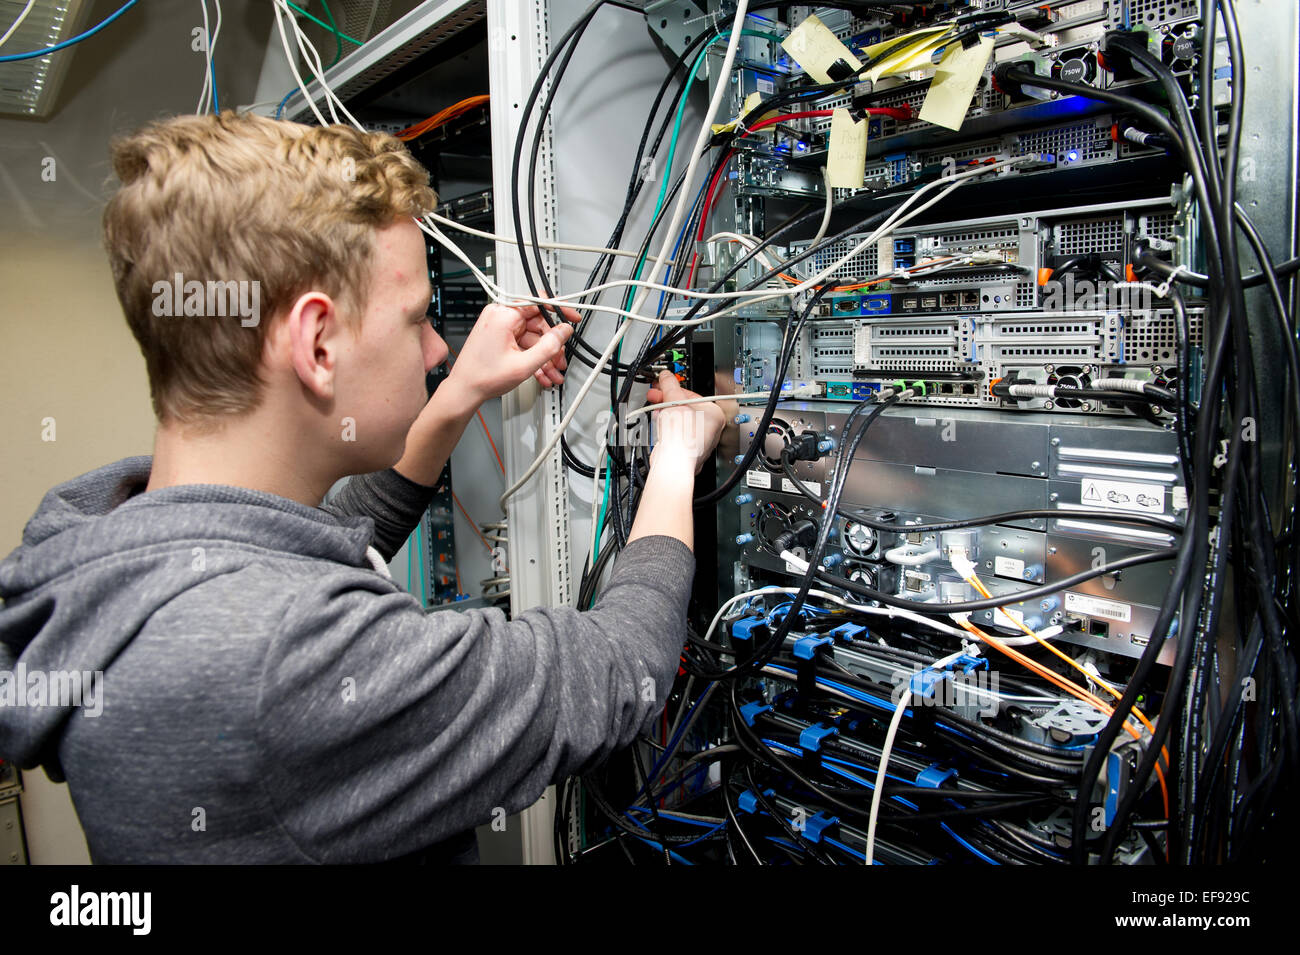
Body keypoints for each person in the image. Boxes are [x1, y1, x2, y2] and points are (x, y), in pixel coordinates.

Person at [0, 111, 724, 863]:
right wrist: (674, 453)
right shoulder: (277, 662)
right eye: (417, 321)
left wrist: (452, 397)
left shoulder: (103, 553)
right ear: (317, 344)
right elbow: (622, 669)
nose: (438, 347)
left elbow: (303, 551)